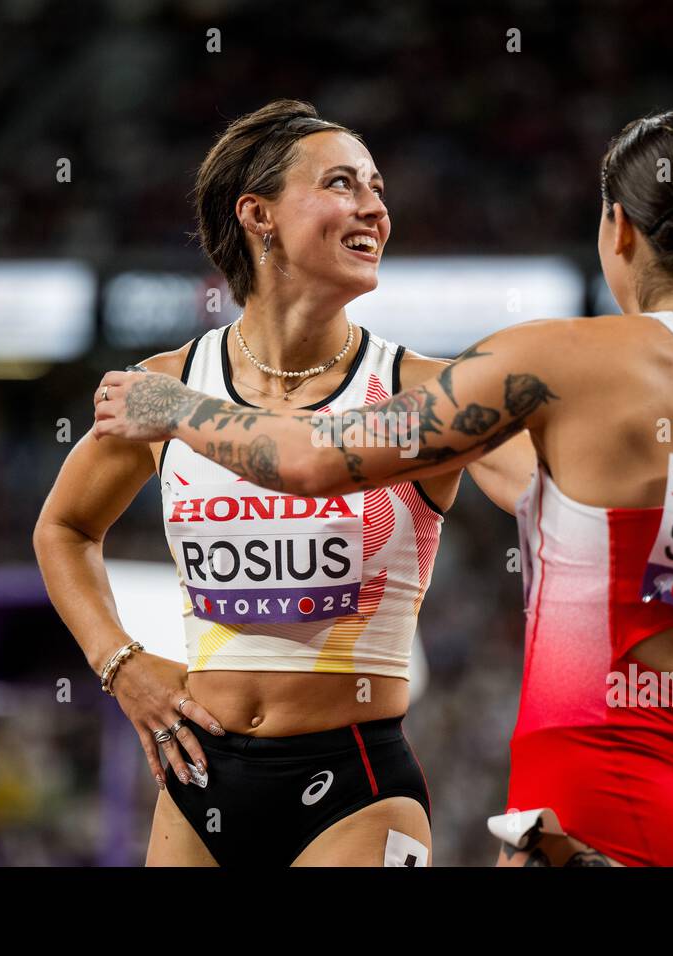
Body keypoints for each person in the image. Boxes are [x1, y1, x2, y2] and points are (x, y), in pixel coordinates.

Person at [91, 109, 673, 866]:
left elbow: (310, 461)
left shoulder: (561, 362)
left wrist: (174, 406)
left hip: (580, 821)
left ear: (619, 230)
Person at [34, 99, 539, 867]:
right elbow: (63, 531)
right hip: (200, 778)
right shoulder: (165, 383)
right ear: (258, 214)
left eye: (377, 188)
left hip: (355, 785)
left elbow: (553, 498)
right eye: (342, 183)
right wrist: (120, 663)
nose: (375, 206)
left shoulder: (426, 391)